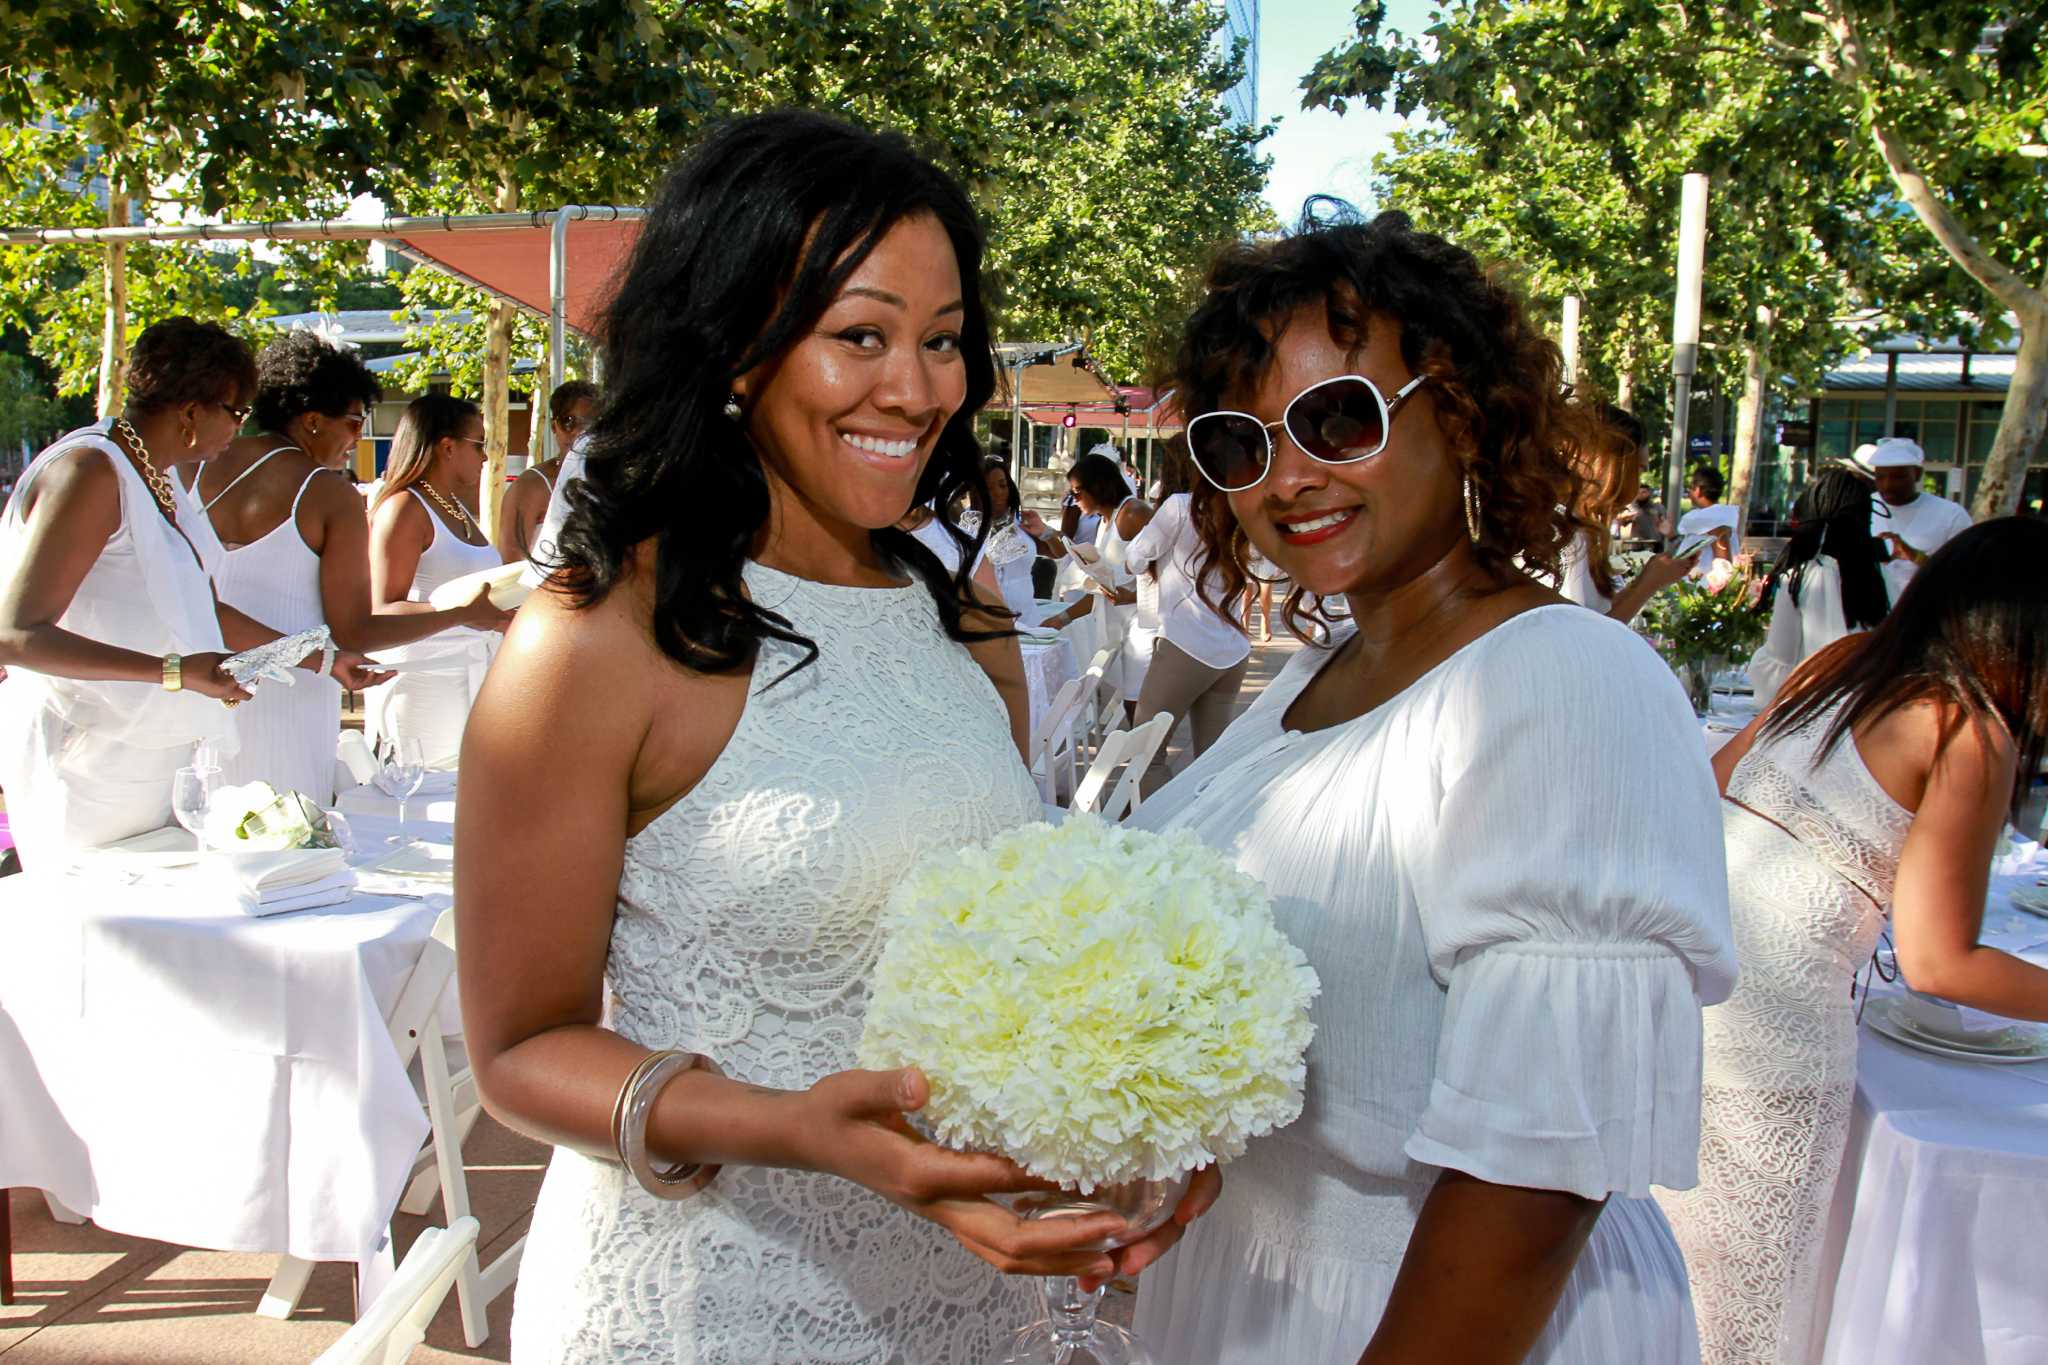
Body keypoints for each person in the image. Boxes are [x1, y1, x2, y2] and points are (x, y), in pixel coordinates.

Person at [452, 112, 1214, 1365]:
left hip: (967, 1300)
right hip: (714, 1306)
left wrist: (1136, 1117)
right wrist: (794, 1127)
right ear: (733, 345)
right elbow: (523, 1052)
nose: (913, 391)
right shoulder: (598, 636)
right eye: (857, 335)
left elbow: (1000, 951)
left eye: (943, 342)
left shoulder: (952, 611)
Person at [1128, 210, 1735, 1364]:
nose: (1287, 478)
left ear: (1455, 408)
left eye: (1335, 418)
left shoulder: (1561, 681)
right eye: (1239, 446)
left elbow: (1535, 1172)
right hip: (1250, 1290)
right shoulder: (1318, 670)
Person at [1657, 518, 2048, 1365]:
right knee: (1742, 1316)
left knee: (1668, 1280)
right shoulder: (1967, 730)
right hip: (1777, 1038)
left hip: (1690, 999)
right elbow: (1943, 962)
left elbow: (1710, 790)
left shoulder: (1844, 661)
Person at [0, 320, 264, 863]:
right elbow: (14, 635)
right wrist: (176, 671)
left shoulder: (157, 475)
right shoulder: (92, 471)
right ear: (191, 411)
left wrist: (315, 652)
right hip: (84, 756)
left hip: (147, 754)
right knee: (90, 932)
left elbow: (198, 609)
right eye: (236, 413)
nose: (239, 428)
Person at [193, 331, 483, 802]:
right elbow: (354, 630)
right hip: (292, 695)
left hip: (199, 691)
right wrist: (464, 613)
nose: (358, 438)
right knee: (288, 842)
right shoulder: (328, 493)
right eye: (353, 422)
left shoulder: (196, 470)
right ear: (311, 421)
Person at [364, 395, 510, 767]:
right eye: (479, 445)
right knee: (423, 803)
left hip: (471, 679)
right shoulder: (404, 508)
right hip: (424, 688)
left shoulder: (455, 507)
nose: (485, 456)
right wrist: (465, 613)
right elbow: (379, 609)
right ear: (447, 447)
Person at [1124, 446, 1250, 793]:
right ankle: (1210, 835)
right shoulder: (1243, 506)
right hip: (1233, 649)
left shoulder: (1179, 506)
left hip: (1185, 645)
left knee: (1145, 755)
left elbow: (1133, 559)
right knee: (1213, 762)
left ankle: (1160, 836)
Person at [1748, 465, 1891, 709]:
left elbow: (1779, 663)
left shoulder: (1801, 578)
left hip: (1818, 715)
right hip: (1876, 716)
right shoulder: (1889, 575)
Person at [1027, 451, 1154, 700]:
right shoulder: (1105, 521)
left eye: (1076, 492)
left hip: (1143, 625)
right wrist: (1061, 619)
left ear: (1097, 486)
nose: (1074, 500)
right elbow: (1101, 587)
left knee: (1138, 702)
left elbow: (1167, 570)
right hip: (1120, 625)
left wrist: (1135, 596)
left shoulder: (1133, 514)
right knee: (1130, 702)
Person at [1558, 405, 1695, 622]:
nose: (1638, 483)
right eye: (1638, 469)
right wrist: (1647, 585)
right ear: (1610, 466)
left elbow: (1595, 615)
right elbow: (1587, 635)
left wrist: (1650, 580)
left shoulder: (1577, 529)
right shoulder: (1568, 536)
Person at [496, 379, 599, 564]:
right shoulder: (530, 487)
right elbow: (510, 566)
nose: (578, 431)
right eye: (568, 421)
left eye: (589, 423)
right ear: (554, 426)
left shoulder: (609, 481)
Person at [1865, 435, 1972, 602]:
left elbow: (1965, 575)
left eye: (1898, 477)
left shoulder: (1951, 515)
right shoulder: (1862, 509)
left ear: (1917, 474)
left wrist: (1916, 557)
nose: (1887, 485)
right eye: (1880, 477)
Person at [1677, 464, 1740, 572]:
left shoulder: (1703, 518)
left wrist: (1723, 580)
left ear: (1697, 490)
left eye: (1690, 488)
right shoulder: (1726, 513)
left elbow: (1722, 553)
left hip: (1705, 584)